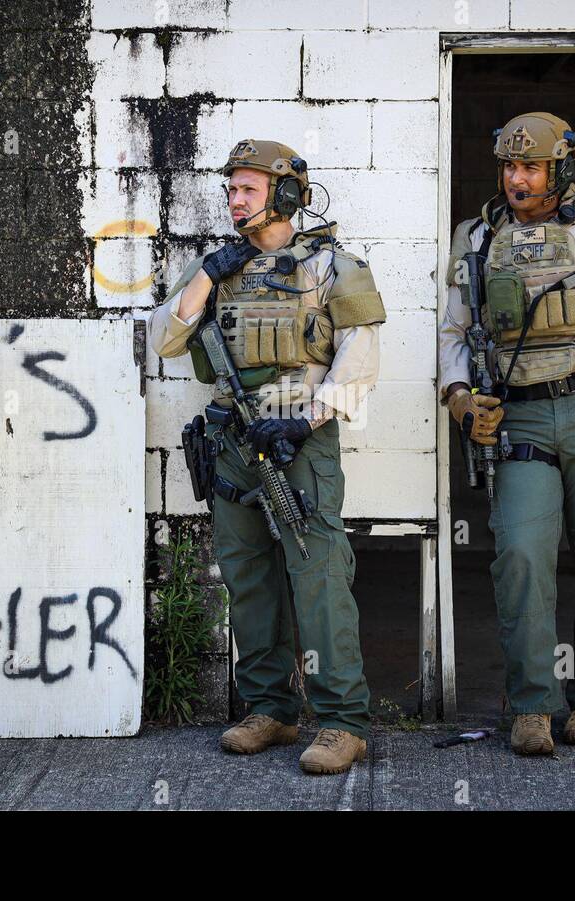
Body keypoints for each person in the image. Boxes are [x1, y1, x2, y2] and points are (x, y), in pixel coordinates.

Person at [149, 139, 385, 774]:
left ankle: (342, 721)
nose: (234, 200)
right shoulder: (219, 269)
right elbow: (166, 338)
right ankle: (270, 708)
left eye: (247, 189)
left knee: (318, 574)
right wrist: (207, 274)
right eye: (230, 190)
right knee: (248, 576)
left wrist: (307, 423)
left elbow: (360, 357)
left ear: (284, 195)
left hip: (298, 442)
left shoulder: (333, 266)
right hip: (233, 444)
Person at [438, 113, 575, 755]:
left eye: (530, 166)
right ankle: (532, 705)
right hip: (518, 417)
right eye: (509, 166)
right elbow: (453, 331)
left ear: (561, 169)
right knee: (523, 557)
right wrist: (459, 398)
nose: (517, 178)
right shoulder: (476, 238)